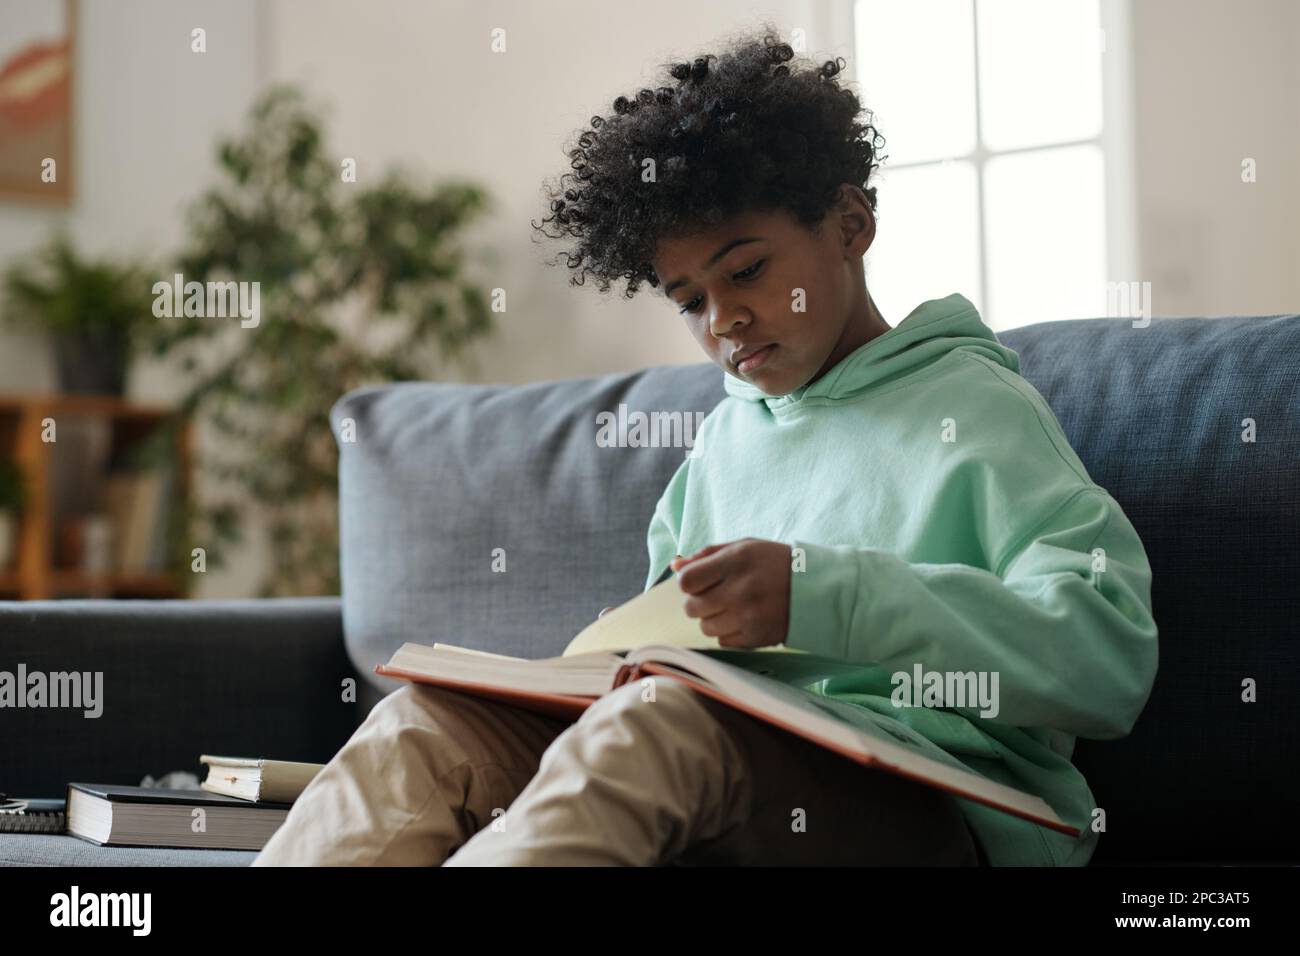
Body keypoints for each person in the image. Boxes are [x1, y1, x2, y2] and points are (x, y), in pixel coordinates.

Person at [253, 26, 1157, 867]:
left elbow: (1105, 660)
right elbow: (660, 657)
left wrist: (821, 596)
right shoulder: (722, 444)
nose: (722, 319)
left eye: (747, 269)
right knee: (425, 726)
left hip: (929, 805)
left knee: (659, 723)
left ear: (849, 225)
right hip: (714, 763)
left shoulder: (978, 410)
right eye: (688, 300)